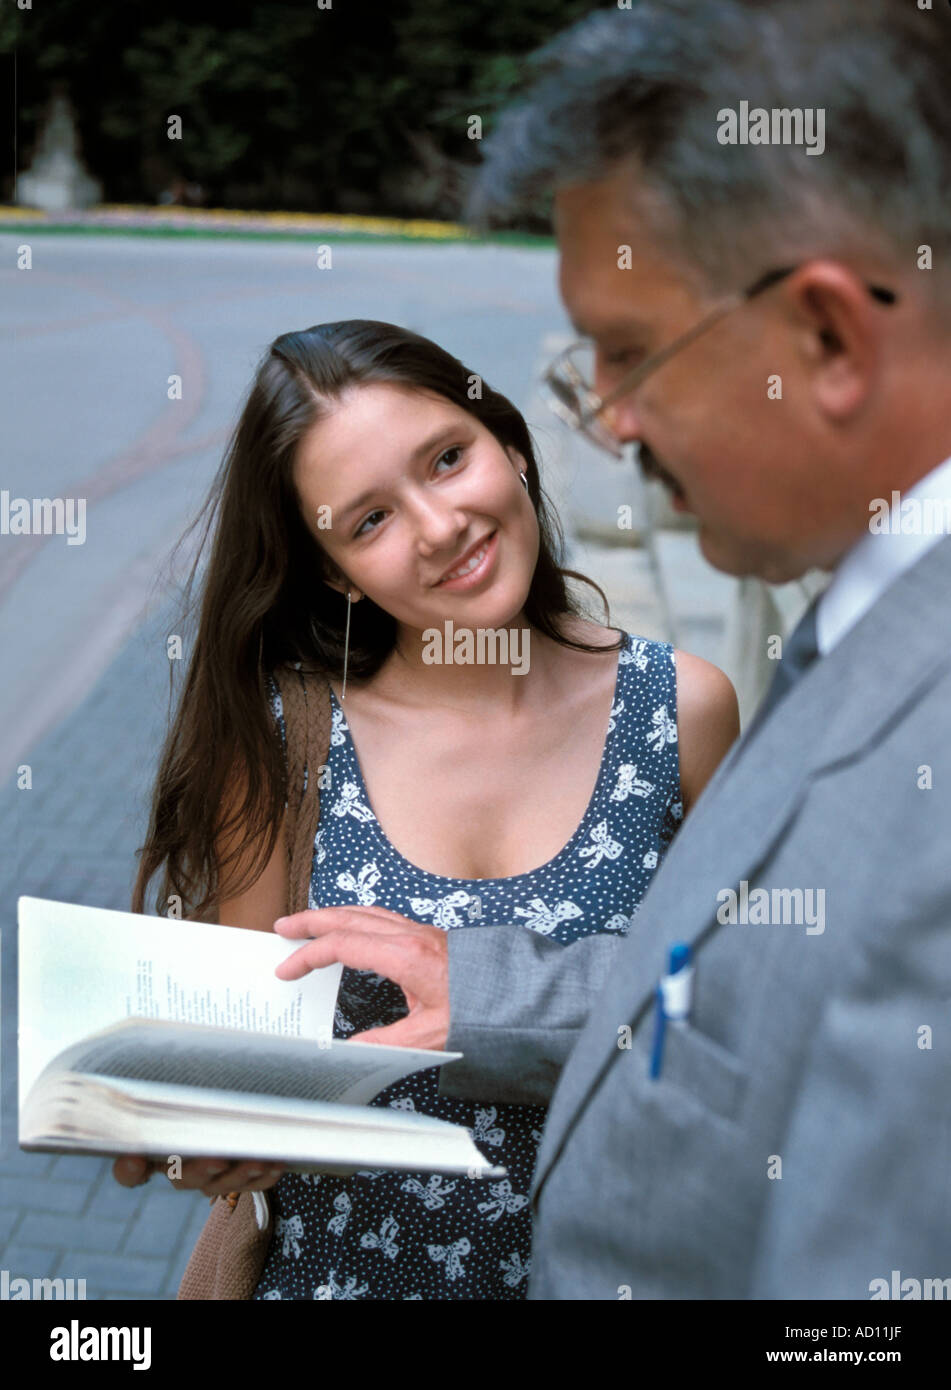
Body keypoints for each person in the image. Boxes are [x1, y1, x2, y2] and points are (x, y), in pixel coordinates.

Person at [454, 0, 951, 1297]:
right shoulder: (875, 609)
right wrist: (463, 984)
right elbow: (750, 998)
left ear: (826, 340)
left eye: (627, 352)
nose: (606, 422)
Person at [117, 319, 739, 1299]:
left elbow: (735, 1032)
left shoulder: (684, 711)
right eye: (368, 520)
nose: (440, 525)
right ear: (333, 570)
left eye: (448, 459)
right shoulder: (287, 738)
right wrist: (209, 1133)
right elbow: (244, 1074)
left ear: (511, 445)